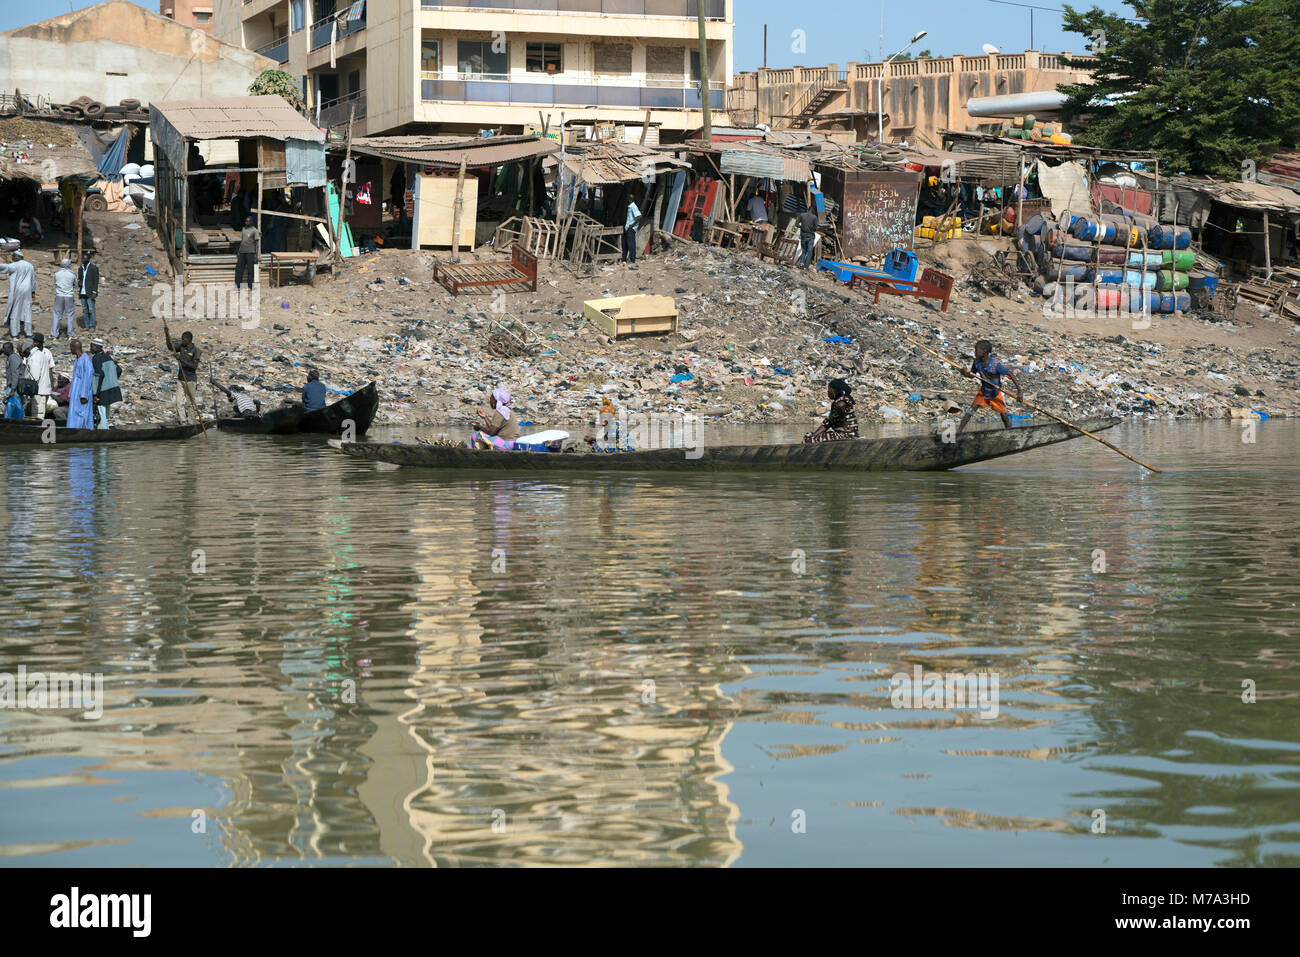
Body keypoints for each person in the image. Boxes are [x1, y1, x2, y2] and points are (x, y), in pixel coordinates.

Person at [957, 339, 1023, 433]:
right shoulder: (977, 362)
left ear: (984, 351)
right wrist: (964, 373)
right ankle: (958, 432)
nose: (974, 352)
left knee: (1004, 415)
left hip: (995, 393)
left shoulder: (995, 365)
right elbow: (972, 375)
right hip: (984, 392)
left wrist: (1020, 391)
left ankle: (1009, 433)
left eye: (976, 350)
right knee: (970, 411)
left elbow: (1010, 373)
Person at [164, 324, 201, 423]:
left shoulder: (196, 351)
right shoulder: (181, 346)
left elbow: (194, 366)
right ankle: (183, 421)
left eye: (183, 339)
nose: (182, 341)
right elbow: (170, 347)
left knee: (190, 403)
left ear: (189, 340)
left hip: (191, 380)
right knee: (179, 402)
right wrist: (167, 334)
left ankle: (191, 422)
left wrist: (181, 359)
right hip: (181, 379)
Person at [804, 378, 858, 444]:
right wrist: (813, 435)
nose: (828, 392)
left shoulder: (843, 400)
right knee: (808, 436)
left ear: (834, 390)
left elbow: (841, 406)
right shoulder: (836, 403)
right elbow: (827, 423)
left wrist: (839, 412)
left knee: (811, 440)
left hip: (847, 435)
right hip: (840, 434)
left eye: (829, 390)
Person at [1, 250, 36, 338]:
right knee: (27, 311)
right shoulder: (30, 265)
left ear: (16, 257)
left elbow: (3, 267)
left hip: (18, 290)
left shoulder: (15, 265)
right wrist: (33, 291)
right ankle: (28, 333)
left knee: (15, 311)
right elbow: (33, 280)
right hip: (28, 290)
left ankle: (15, 334)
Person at [89, 339, 121, 429]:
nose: (91, 348)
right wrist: (111, 381)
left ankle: (102, 433)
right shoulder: (107, 356)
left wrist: (96, 393)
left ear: (98, 347)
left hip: (102, 391)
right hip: (111, 389)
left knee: (101, 414)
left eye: (92, 346)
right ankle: (105, 429)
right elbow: (118, 370)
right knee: (106, 415)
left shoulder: (96, 358)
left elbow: (99, 375)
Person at [25, 332, 55, 420]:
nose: (34, 343)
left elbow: (49, 369)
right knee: (37, 411)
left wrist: (51, 384)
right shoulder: (32, 353)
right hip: (39, 388)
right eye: (34, 341)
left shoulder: (47, 353)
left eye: (36, 342)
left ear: (40, 342)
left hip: (41, 388)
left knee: (38, 413)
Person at [66, 339, 94, 429]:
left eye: (71, 347)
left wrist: (84, 395)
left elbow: (87, 378)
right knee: (73, 413)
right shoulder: (77, 360)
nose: (70, 349)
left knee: (82, 414)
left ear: (75, 348)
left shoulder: (86, 360)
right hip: (75, 392)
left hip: (82, 393)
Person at [51, 258, 77, 339]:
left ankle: (54, 334)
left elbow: (55, 283)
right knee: (69, 315)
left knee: (57, 315)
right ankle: (70, 334)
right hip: (69, 296)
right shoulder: (72, 274)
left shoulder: (57, 273)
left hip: (59, 295)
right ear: (69, 265)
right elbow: (75, 285)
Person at [235, 215, 260, 290]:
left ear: (251, 222)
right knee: (239, 269)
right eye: (245, 221)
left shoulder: (254, 230)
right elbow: (242, 241)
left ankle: (250, 286)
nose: (246, 222)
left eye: (248, 221)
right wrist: (239, 251)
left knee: (250, 270)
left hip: (250, 252)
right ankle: (238, 285)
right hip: (242, 252)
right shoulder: (243, 229)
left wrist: (256, 255)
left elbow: (256, 244)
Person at [78, 251, 99, 331]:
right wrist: (79, 281)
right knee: (84, 310)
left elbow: (96, 280)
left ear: (88, 259)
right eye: (82, 258)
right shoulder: (80, 268)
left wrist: (94, 291)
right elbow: (79, 278)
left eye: (84, 258)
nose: (83, 259)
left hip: (90, 292)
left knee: (91, 310)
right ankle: (86, 325)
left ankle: (92, 326)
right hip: (82, 292)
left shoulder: (94, 268)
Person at [622, 197, 642, 265]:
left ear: (630, 199)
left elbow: (639, 216)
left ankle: (632, 259)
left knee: (631, 244)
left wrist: (632, 225)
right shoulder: (630, 207)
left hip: (630, 228)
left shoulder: (633, 206)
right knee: (624, 244)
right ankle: (624, 259)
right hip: (627, 228)